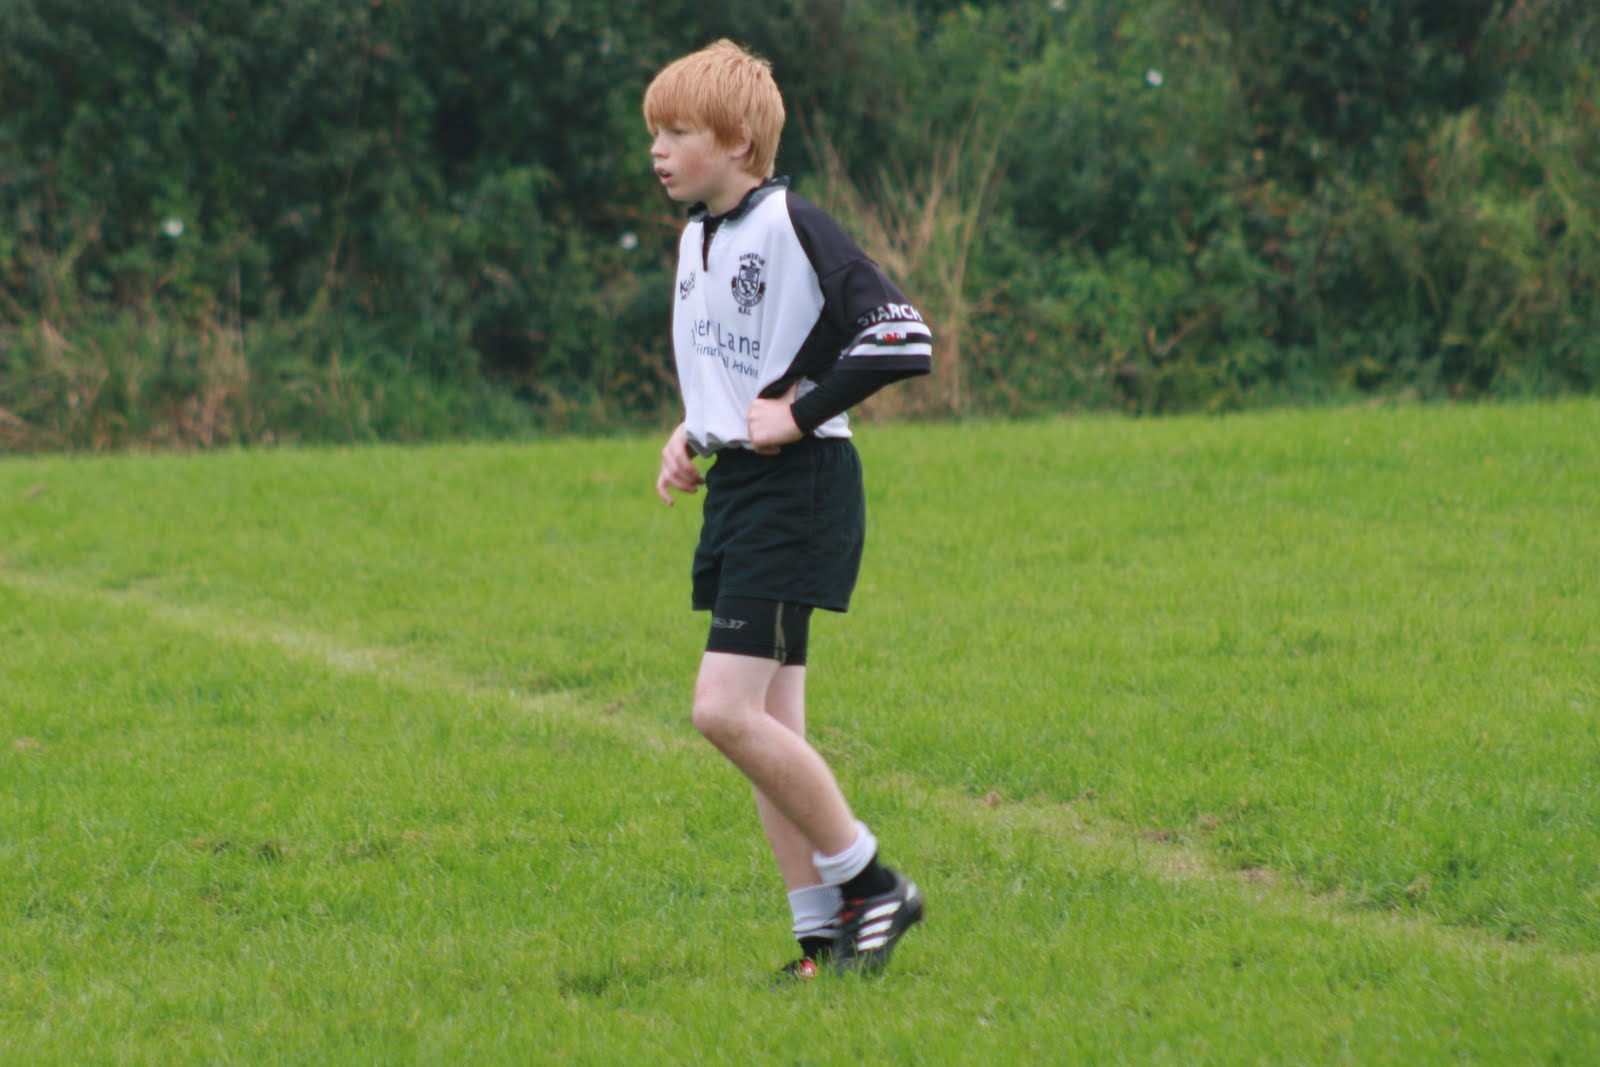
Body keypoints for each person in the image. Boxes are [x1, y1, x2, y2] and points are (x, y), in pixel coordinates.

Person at [643, 40, 933, 979]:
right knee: (772, 729)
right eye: (654, 133)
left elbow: (902, 334)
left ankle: (873, 881)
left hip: (800, 490)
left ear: (736, 141)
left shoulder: (793, 223)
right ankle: (822, 941)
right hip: (741, 491)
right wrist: (694, 431)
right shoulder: (696, 238)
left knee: (722, 710)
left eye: (677, 132)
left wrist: (801, 413)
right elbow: (738, 368)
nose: (658, 150)